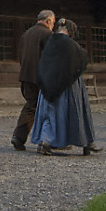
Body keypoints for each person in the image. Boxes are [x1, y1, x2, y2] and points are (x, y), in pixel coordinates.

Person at [29, 19, 100, 156]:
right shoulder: (70, 44)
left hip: (49, 85)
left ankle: (45, 142)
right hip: (68, 86)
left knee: (50, 115)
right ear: (70, 30)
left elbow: (44, 63)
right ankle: (86, 142)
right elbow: (82, 58)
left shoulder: (50, 42)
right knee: (76, 112)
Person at [11, 10, 55, 150]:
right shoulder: (48, 34)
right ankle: (47, 140)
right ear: (48, 21)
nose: (52, 25)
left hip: (26, 76)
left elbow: (20, 55)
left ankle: (18, 136)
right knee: (49, 108)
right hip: (42, 77)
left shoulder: (26, 34)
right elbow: (50, 58)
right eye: (53, 23)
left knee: (31, 106)